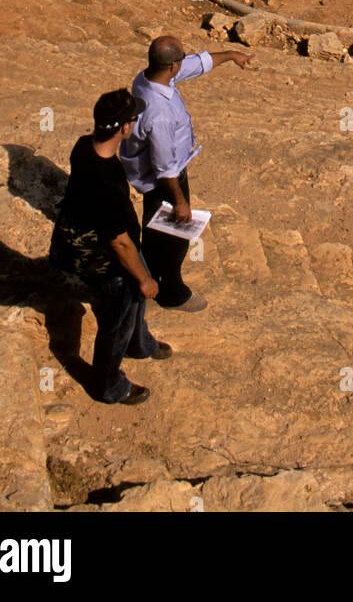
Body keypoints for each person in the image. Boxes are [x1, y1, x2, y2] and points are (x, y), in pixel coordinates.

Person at [50, 89, 171, 406]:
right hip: (105, 258)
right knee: (116, 320)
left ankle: (140, 344)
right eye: (132, 118)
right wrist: (144, 279)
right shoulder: (105, 185)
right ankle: (108, 385)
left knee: (133, 302)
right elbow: (119, 243)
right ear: (123, 128)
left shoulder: (83, 147)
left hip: (89, 239)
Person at [121, 35, 251, 311]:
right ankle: (169, 292)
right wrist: (179, 201)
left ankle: (149, 270)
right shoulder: (159, 113)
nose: (184, 62)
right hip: (163, 181)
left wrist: (229, 55)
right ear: (171, 67)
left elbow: (193, 65)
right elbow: (164, 167)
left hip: (159, 172)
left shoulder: (147, 79)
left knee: (158, 233)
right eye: (181, 58)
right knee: (173, 238)